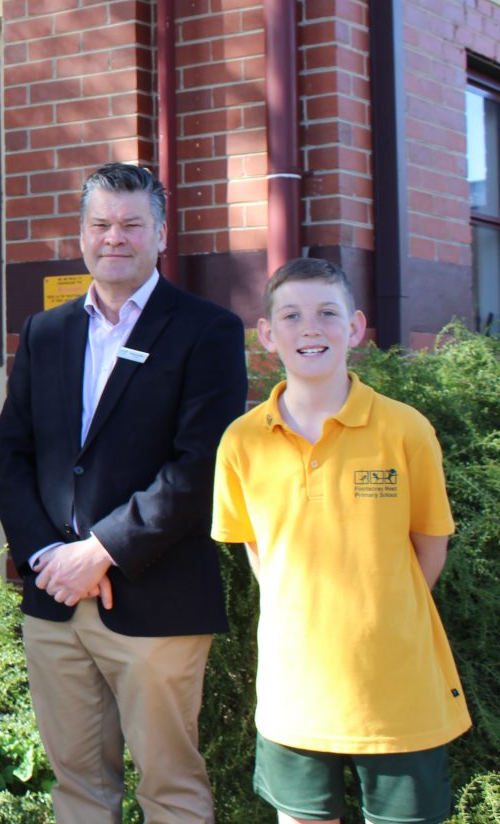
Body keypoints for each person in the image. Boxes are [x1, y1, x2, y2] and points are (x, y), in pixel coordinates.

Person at [0, 162, 247, 823]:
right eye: (101, 224)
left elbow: (200, 467)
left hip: (157, 600)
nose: (115, 238)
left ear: (161, 233)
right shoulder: (46, 332)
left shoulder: (207, 330)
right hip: (54, 600)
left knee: (172, 792)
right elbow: (11, 452)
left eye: (132, 224)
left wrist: (99, 552)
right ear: (81, 234)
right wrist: (49, 554)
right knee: (78, 792)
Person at [213, 258, 470, 824]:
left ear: (354, 328)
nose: (310, 328)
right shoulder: (241, 442)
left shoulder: (406, 429)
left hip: (398, 687)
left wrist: (380, 609)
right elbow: (260, 554)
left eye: (327, 313)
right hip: (294, 688)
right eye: (292, 315)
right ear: (267, 333)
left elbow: (431, 547)